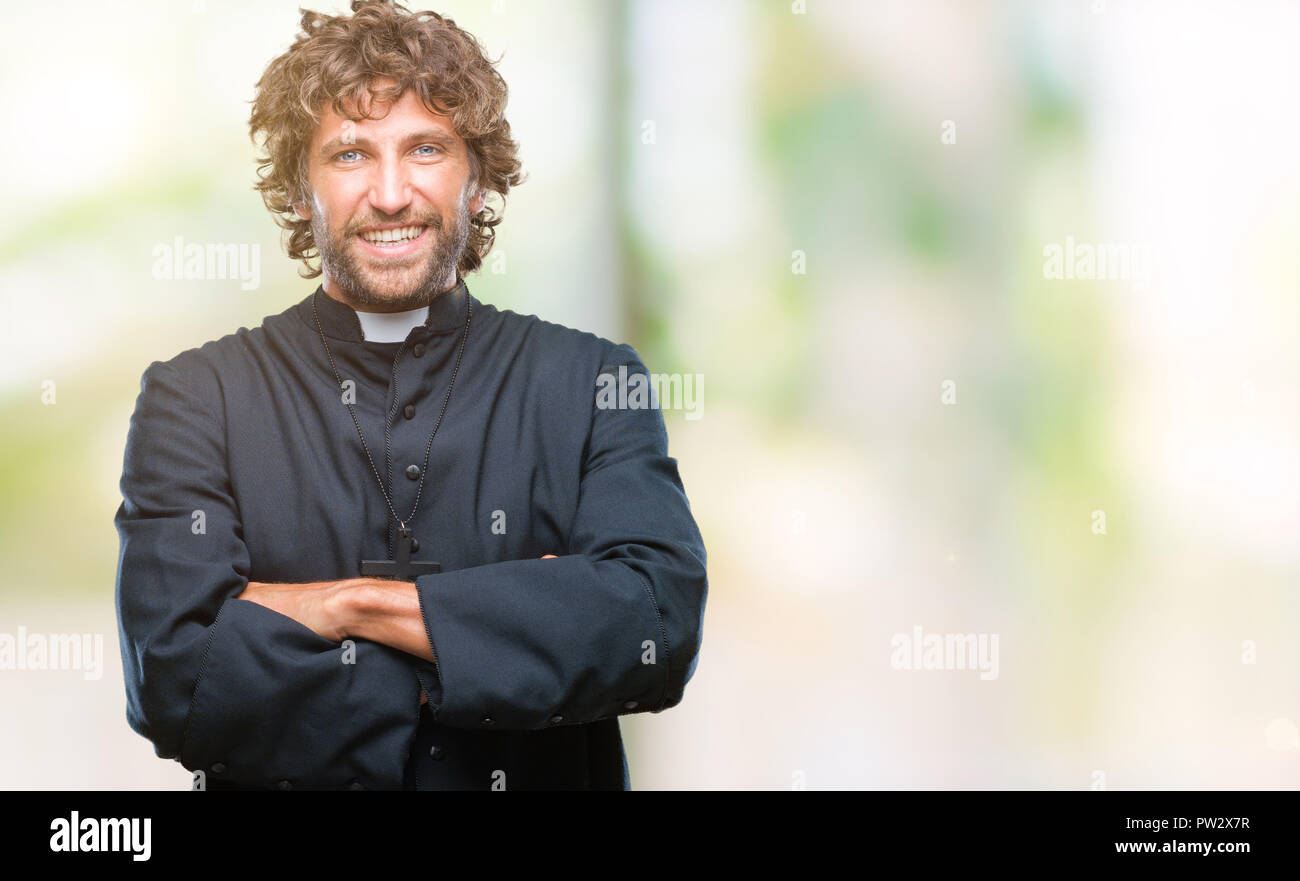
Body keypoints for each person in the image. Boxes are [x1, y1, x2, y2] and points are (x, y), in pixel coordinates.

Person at [114, 0, 707, 791]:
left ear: (477, 178)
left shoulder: (594, 382)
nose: (391, 194)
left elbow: (654, 628)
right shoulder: (195, 398)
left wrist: (344, 607)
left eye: (425, 147)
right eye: (351, 154)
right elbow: (176, 676)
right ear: (301, 189)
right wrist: (517, 628)